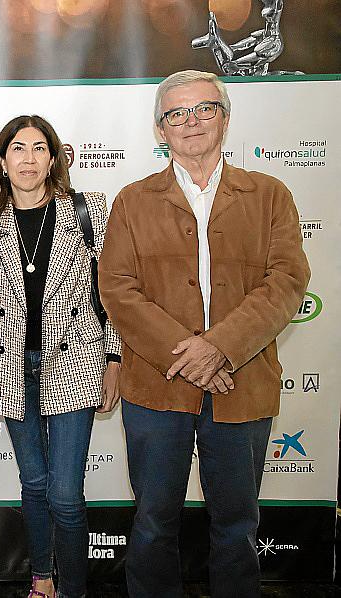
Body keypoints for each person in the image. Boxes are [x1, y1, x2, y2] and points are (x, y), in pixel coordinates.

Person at [98, 70, 310, 598]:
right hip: (156, 388)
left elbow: (287, 280)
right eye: (176, 114)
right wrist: (191, 355)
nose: (190, 122)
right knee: (151, 522)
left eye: (204, 109)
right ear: (159, 129)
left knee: (238, 525)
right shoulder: (131, 200)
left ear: (226, 118)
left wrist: (218, 348)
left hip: (242, 384)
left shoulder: (270, 195)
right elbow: (118, 289)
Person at [0, 115, 122, 598]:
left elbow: (111, 292)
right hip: (13, 366)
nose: (28, 158)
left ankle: (73, 588)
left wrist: (114, 358)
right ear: (2, 159)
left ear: (54, 158)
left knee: (65, 496)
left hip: (76, 363)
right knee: (33, 484)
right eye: (18, 148)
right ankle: (42, 579)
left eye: (39, 148)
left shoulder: (88, 209)